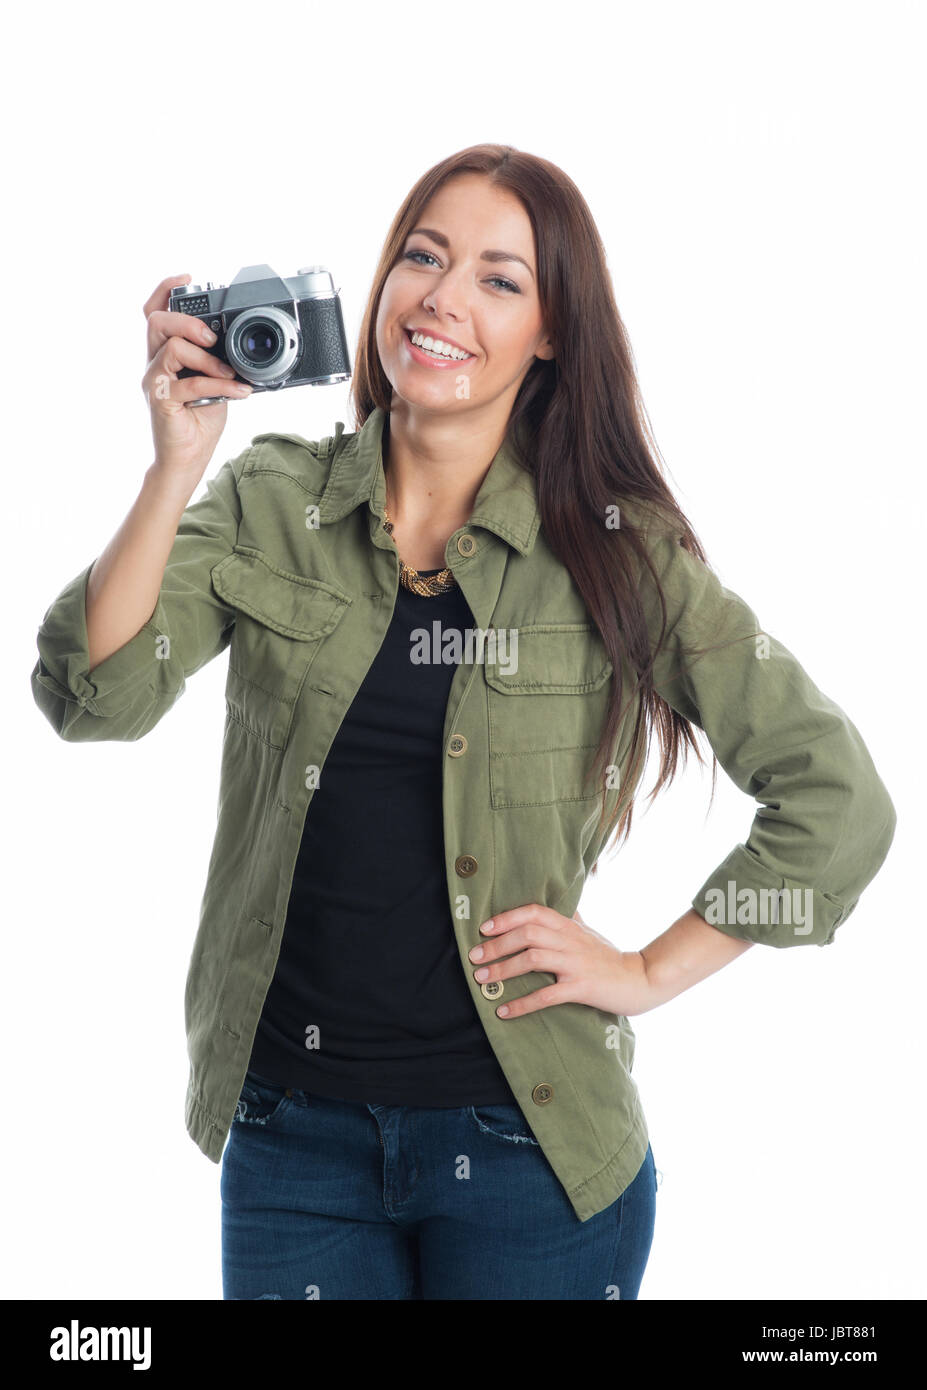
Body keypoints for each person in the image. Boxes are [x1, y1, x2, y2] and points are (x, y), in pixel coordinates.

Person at [31, 144, 897, 1301]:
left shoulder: (614, 553)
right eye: (423, 257)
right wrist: (174, 468)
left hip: (524, 1154)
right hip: (294, 1140)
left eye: (500, 278)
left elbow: (840, 805)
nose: (442, 297)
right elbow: (95, 697)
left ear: (550, 332)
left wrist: (644, 968)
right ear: (381, 283)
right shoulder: (267, 504)